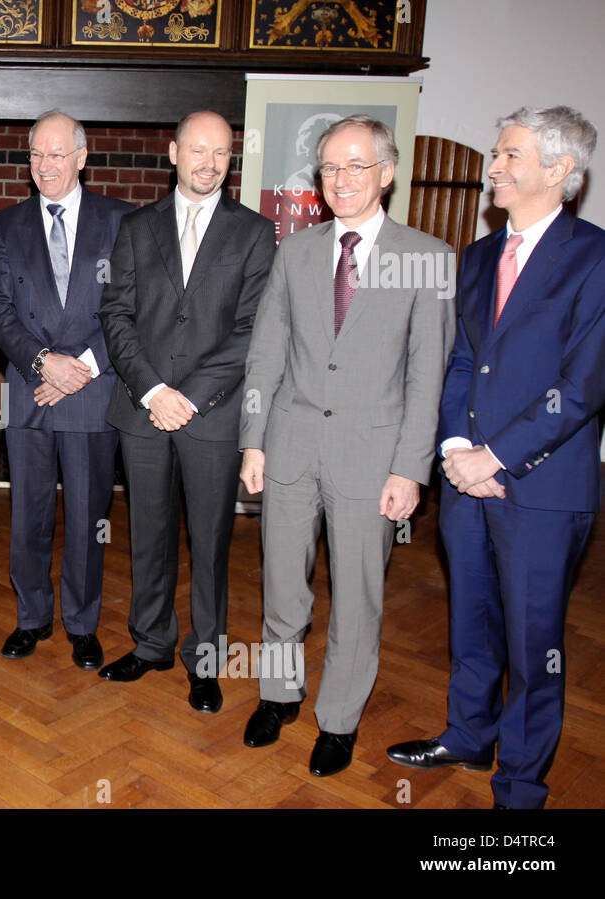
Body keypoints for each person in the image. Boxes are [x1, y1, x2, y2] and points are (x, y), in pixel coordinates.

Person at [386, 107, 605, 809]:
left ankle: (519, 784)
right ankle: (468, 733)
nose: (495, 166)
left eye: (511, 154)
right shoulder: (479, 255)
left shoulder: (595, 258)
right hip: (465, 479)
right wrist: (454, 449)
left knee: (533, 642)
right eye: (496, 151)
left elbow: (582, 387)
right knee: (470, 616)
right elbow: (461, 361)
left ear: (559, 171)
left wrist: (497, 458)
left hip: (541, 489)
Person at [238, 115, 454, 777]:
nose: (342, 180)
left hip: (374, 457)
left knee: (358, 595)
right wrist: (253, 441)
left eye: (357, 165)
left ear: (387, 173)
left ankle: (338, 718)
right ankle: (279, 692)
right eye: (330, 167)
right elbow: (266, 352)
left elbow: (428, 373)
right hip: (291, 445)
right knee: (281, 584)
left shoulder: (429, 257)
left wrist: (411, 468)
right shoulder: (296, 251)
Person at [98, 111, 275, 710]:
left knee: (209, 540)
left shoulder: (255, 232)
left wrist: (191, 394)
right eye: (198, 149)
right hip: (143, 409)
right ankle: (150, 645)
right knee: (148, 535)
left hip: (213, 415)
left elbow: (253, 329)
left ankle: (206, 659)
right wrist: (153, 390)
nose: (208, 162)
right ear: (173, 152)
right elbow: (115, 316)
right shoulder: (135, 226)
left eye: (221, 153)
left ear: (232, 159)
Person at [0, 109, 132, 671]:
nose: (45, 165)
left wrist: (83, 367)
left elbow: (129, 308)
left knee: (91, 516)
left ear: (81, 158)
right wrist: (44, 363)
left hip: (95, 391)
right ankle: (32, 617)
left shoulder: (121, 220)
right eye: (36, 155)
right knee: (30, 514)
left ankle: (84, 623)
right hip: (30, 388)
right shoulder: (7, 224)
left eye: (57, 154)